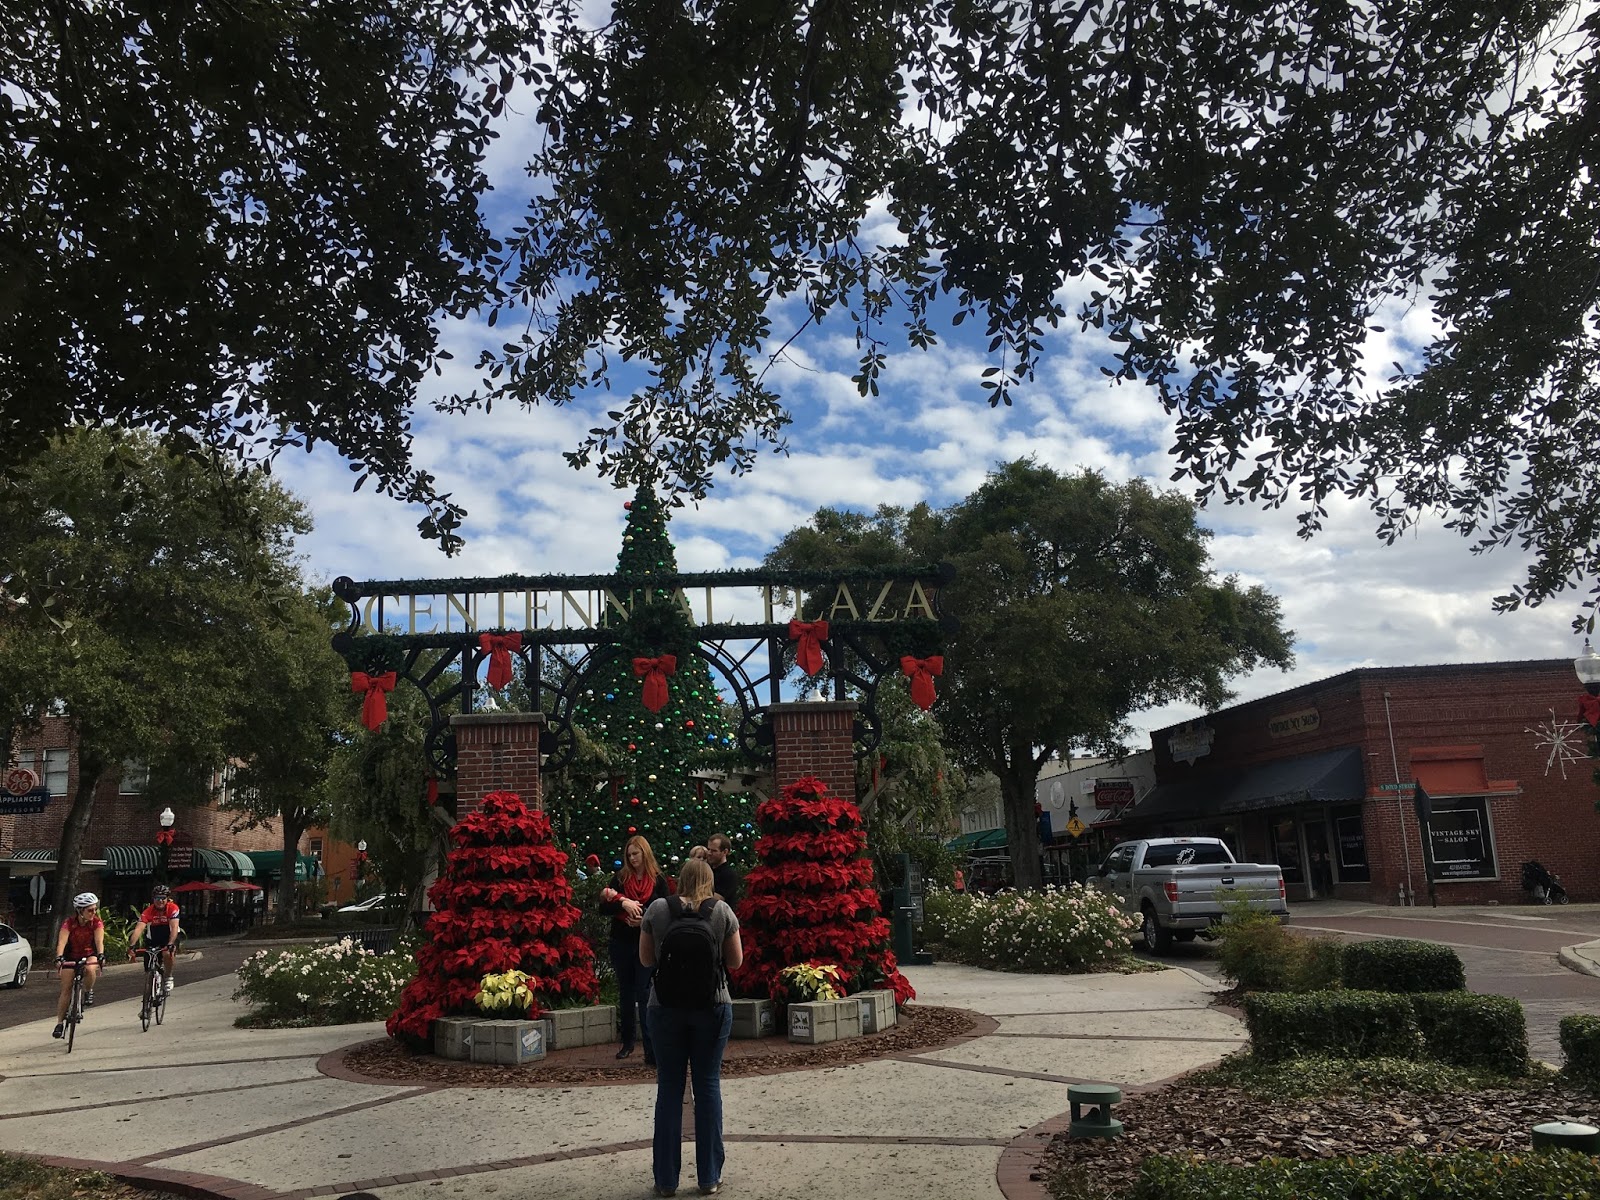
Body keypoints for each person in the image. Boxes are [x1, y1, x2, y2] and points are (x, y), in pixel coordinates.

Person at [640, 858, 742, 1198]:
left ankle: (666, 1180)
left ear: (679, 880)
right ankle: (709, 1177)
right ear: (709, 881)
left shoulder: (657, 908)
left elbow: (646, 960)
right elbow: (735, 961)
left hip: (664, 1007)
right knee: (707, 1085)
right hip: (712, 1005)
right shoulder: (721, 911)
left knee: (669, 1088)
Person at [598, 835, 670, 1064]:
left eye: (635, 854)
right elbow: (603, 907)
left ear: (645, 853)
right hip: (621, 941)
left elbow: (666, 910)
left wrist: (644, 918)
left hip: (646, 942)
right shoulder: (620, 879)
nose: (632, 858)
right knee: (626, 993)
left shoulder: (658, 880)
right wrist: (622, 904)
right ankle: (627, 1042)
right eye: (629, 855)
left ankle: (651, 1048)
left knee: (644, 991)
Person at [52, 892, 105, 1039]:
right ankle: (59, 1023)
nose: (94, 913)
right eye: (90, 910)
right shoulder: (69, 923)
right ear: (80, 911)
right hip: (71, 955)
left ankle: (88, 991)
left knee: (89, 968)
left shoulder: (96, 923)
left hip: (89, 954)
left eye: (95, 909)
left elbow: (99, 942)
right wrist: (59, 957)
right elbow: (61, 942)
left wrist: (100, 954)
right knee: (66, 989)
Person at [129, 883, 182, 993]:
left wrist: (171, 943)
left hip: (169, 936)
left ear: (167, 899)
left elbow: (174, 927)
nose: (160, 901)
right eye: (157, 898)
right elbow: (139, 929)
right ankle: (153, 982)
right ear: (153, 899)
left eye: (163, 898)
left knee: (167, 953)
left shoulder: (172, 908)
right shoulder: (148, 911)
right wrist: (132, 946)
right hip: (153, 937)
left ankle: (168, 977)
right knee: (148, 964)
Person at [705, 833, 741, 906]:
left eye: (714, 851)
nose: (709, 853)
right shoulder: (707, 870)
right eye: (708, 849)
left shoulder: (728, 874)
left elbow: (718, 900)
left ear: (725, 852)